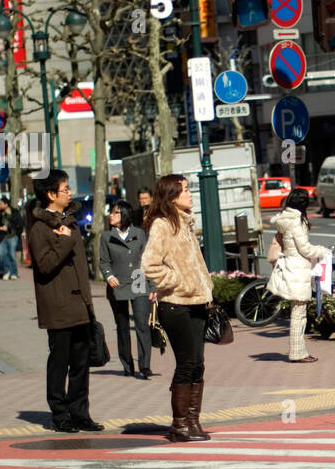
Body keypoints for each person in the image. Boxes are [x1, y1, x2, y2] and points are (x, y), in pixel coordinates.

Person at [28, 169, 103, 433]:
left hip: (79, 302)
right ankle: (60, 414)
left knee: (82, 363)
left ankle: (80, 412)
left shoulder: (68, 220)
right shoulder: (39, 227)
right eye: (65, 189)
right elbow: (45, 265)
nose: (69, 192)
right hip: (58, 305)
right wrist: (62, 242)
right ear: (51, 194)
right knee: (60, 362)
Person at [141, 174, 214, 442]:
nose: (190, 194)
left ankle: (193, 423)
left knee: (198, 364)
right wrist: (174, 281)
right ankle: (180, 425)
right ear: (171, 196)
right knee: (186, 363)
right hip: (175, 304)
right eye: (184, 190)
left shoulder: (185, 223)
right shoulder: (163, 224)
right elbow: (149, 264)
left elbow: (196, 264)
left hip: (196, 302)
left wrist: (206, 289)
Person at [267, 188, 330, 365]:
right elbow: (305, 249)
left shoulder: (285, 219)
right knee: (299, 314)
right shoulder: (297, 222)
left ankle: (300, 351)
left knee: (298, 312)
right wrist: (323, 251)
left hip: (290, 266)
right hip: (298, 269)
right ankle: (297, 353)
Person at [98, 199, 154, 380]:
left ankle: (145, 366)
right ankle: (127, 365)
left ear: (125, 215)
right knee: (122, 327)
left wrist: (153, 286)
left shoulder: (139, 233)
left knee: (142, 325)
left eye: (115, 213)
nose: (111, 216)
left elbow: (148, 261)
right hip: (117, 285)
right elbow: (104, 261)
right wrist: (109, 276)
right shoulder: (106, 237)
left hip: (139, 282)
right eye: (111, 212)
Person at [0, 194, 22, 279]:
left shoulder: (14, 212)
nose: (0, 205)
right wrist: (0, 227)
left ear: (6, 204)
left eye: (1, 203)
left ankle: (14, 273)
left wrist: (8, 227)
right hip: (2, 237)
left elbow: (19, 224)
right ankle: (6, 271)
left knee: (12, 254)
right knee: (1, 254)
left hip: (12, 236)